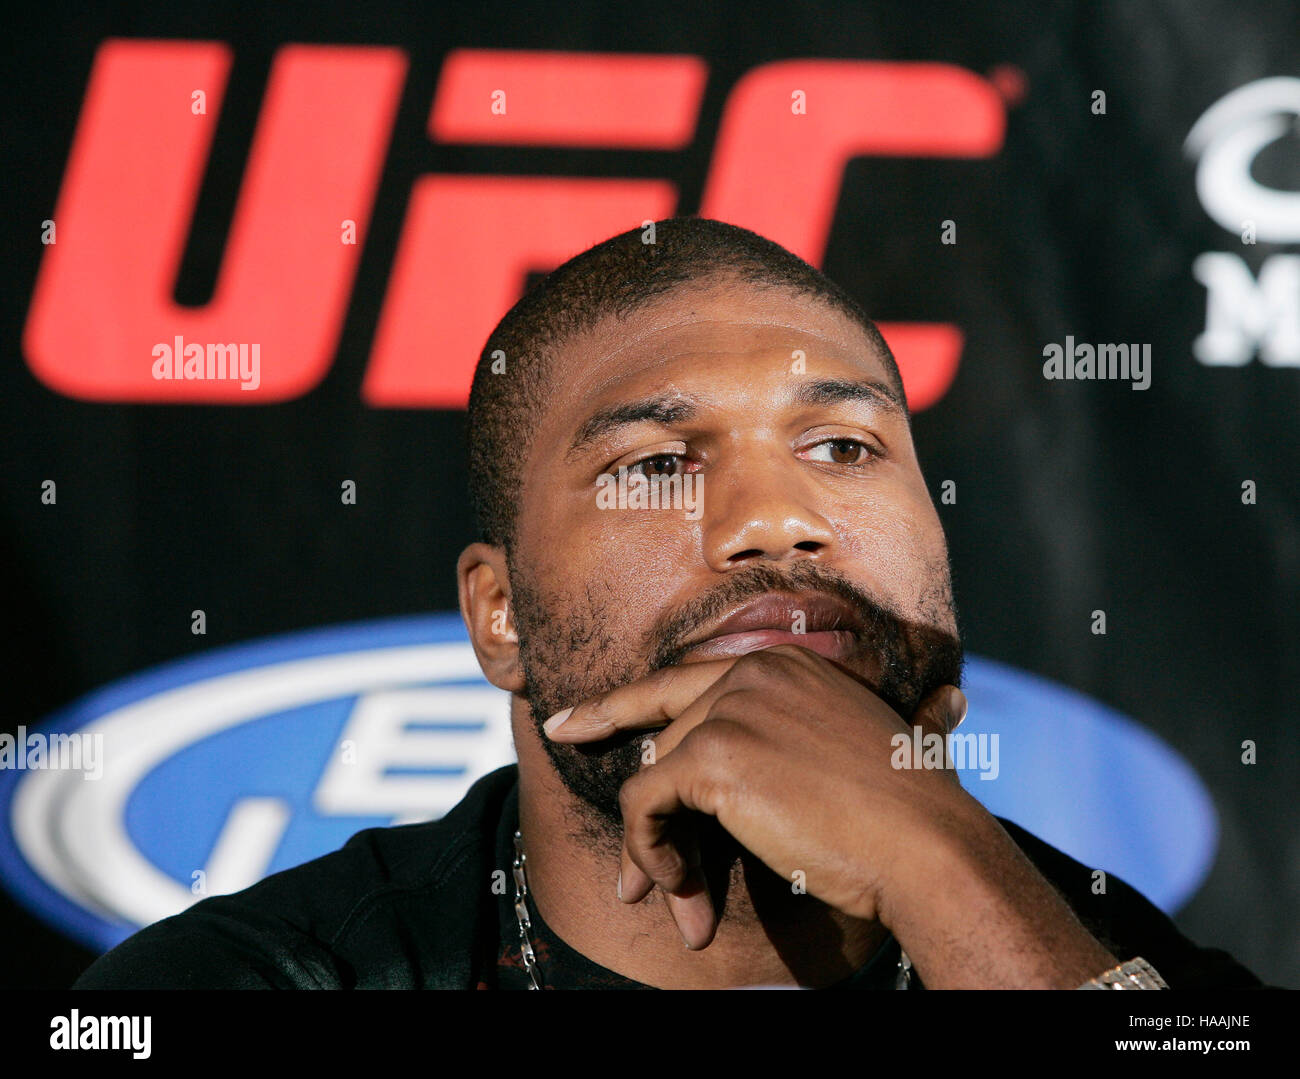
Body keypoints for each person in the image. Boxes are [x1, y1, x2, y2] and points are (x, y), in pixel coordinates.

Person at [74, 218, 1264, 989]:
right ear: (499, 617)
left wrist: (946, 871)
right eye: (655, 464)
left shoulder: (1132, 972)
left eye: (844, 447)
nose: (773, 519)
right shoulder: (242, 983)